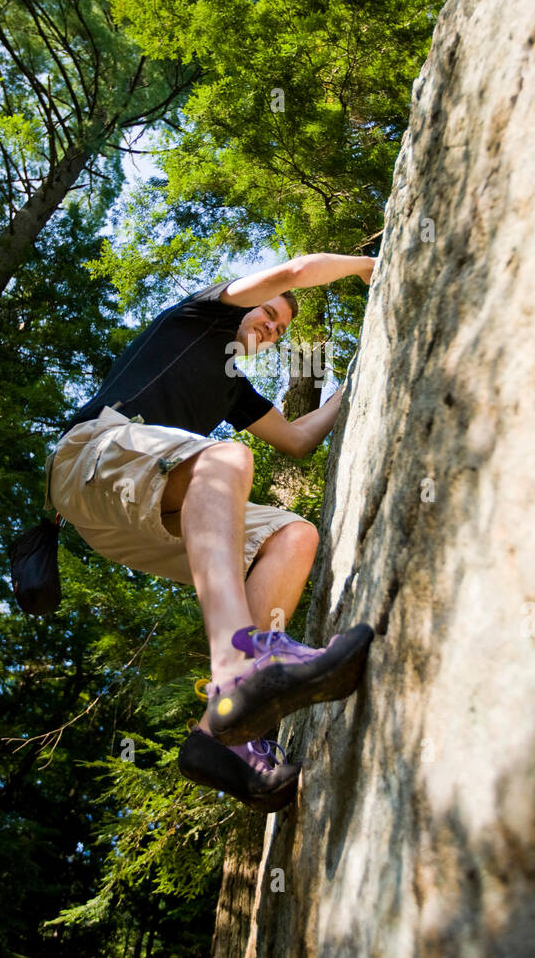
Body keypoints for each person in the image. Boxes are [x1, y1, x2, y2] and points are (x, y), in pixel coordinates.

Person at [46, 251, 377, 812]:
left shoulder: (231, 391)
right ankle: (239, 665)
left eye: (280, 330)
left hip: (137, 515)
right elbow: (295, 273)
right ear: (243, 301)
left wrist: (352, 388)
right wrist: (367, 266)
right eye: (267, 313)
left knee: (292, 537)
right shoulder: (200, 316)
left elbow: (296, 440)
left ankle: (220, 738)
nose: (271, 327)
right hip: (91, 458)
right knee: (226, 460)